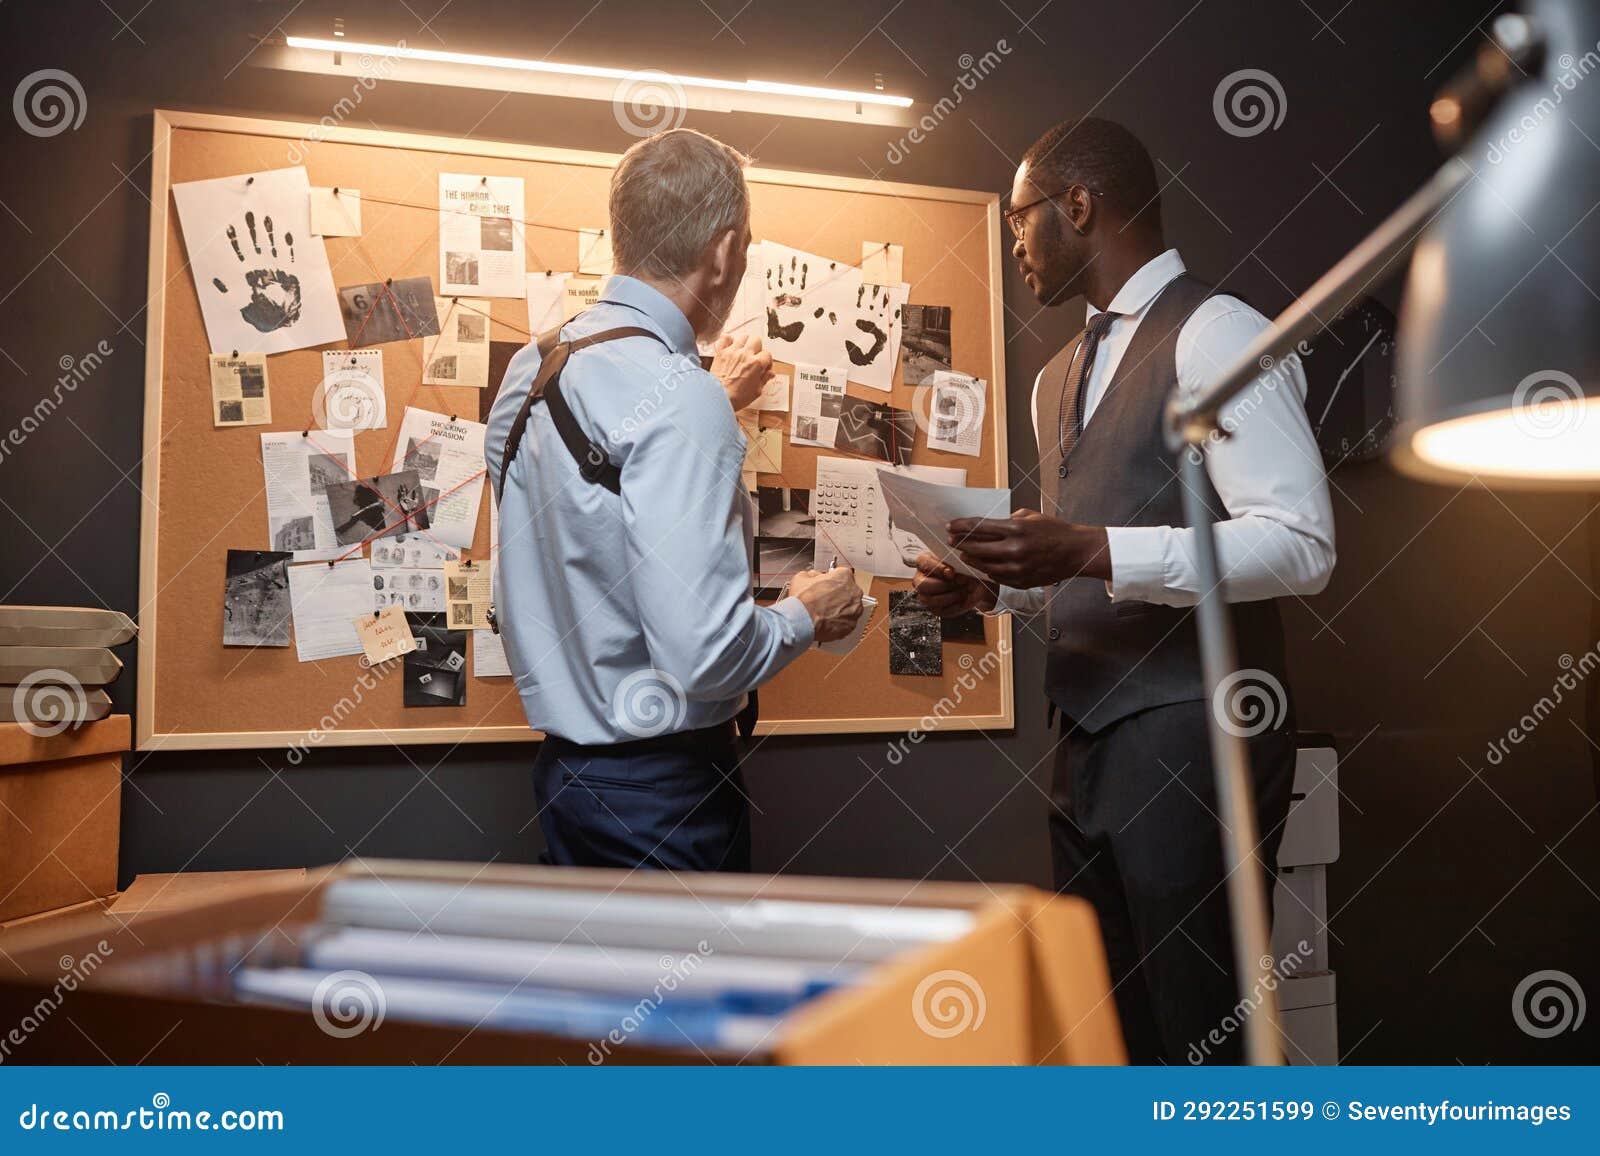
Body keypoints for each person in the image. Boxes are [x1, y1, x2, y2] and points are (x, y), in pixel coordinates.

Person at [912, 118, 1335, 1064]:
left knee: (1202, 1035)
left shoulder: (1219, 331)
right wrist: (992, 591)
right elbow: (1086, 572)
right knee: (1109, 1042)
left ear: (1079, 206)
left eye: (1021, 218)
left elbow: (1301, 545)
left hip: (1196, 740)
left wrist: (1094, 548)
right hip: (1083, 752)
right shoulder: (1056, 376)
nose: (1013, 243)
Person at [485, 128, 863, 873]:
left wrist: (710, 402)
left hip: (568, 782)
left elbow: (581, 526)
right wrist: (807, 615)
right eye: (746, 247)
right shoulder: (683, 401)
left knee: (603, 992)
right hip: (663, 796)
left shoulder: (533, 366)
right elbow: (705, 657)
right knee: (683, 994)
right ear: (723, 252)